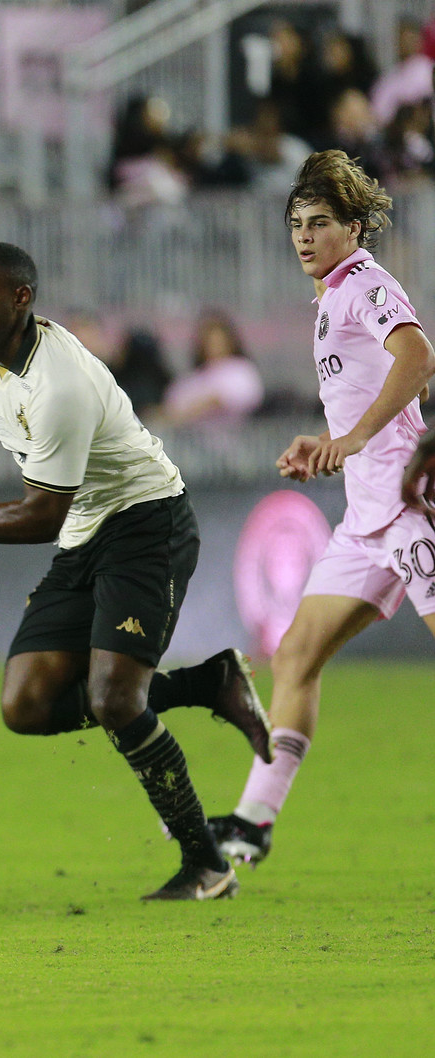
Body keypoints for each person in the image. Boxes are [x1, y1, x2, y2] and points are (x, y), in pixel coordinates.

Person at [0, 242, 272, 902]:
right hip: (87, 530)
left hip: (145, 525)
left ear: (20, 299)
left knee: (115, 700)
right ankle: (208, 681)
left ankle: (206, 865)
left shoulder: (60, 383)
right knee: (25, 705)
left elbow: (38, 518)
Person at [207, 151, 435, 868]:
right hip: (362, 518)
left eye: (319, 223)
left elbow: (417, 355)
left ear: (354, 229)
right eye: (296, 225)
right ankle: (252, 822)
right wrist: (326, 442)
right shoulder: (329, 295)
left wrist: (356, 437)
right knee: (294, 656)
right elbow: (360, 390)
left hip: (406, 504)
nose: (303, 237)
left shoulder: (363, 282)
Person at [160, 311, 265, 428]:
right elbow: (173, 407)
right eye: (209, 341)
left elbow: (246, 396)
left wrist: (203, 405)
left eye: (219, 341)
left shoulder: (241, 369)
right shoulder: (194, 378)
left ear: (230, 342)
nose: (214, 347)